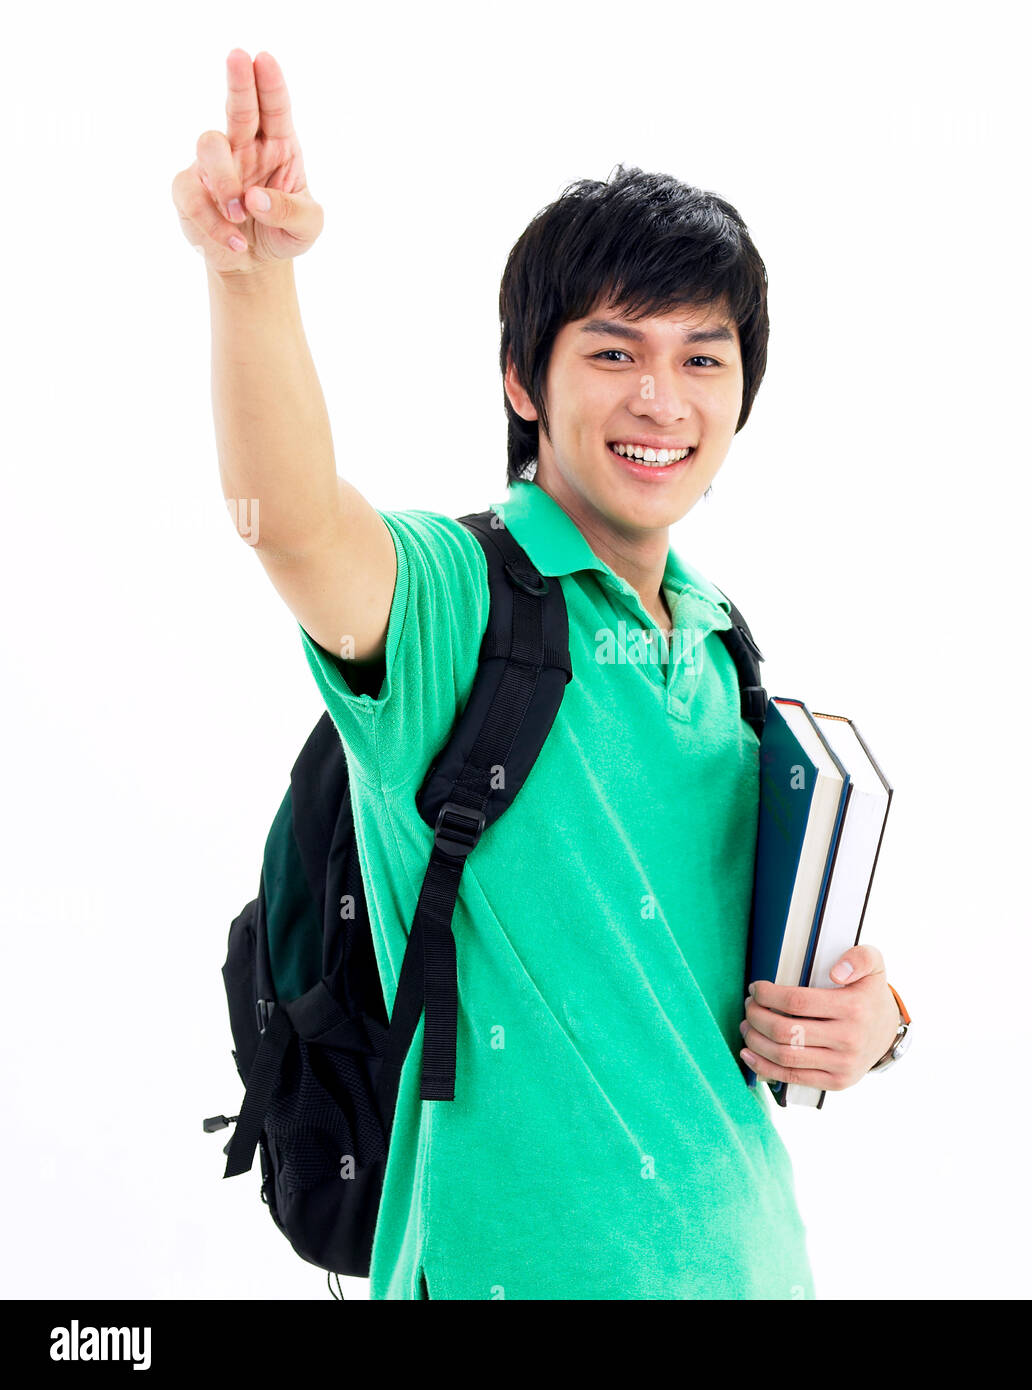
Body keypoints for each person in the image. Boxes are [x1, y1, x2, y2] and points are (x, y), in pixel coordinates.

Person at [175, 47, 906, 1301]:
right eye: (613, 353)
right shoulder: (462, 603)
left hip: (750, 1268)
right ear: (524, 379)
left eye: (701, 357)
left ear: (743, 393)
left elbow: (715, 983)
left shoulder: (719, 636)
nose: (661, 399)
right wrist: (251, 278)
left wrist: (871, 1025)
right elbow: (291, 525)